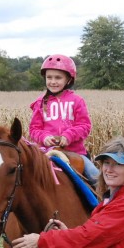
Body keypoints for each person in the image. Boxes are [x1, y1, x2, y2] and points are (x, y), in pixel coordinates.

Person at [28, 54, 100, 184]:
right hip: (46, 153)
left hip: (75, 153)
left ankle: (107, 202)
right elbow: (34, 129)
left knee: (96, 178)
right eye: (49, 77)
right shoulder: (40, 103)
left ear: (68, 80)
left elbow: (84, 126)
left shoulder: (77, 101)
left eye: (58, 77)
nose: (53, 81)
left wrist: (68, 136)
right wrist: (44, 137)